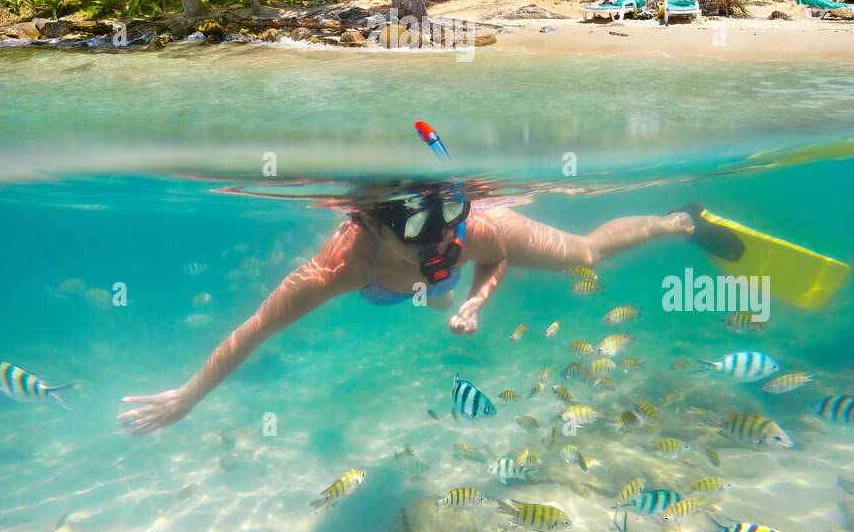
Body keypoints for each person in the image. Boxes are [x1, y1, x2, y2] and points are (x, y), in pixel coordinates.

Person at [119, 184, 697, 436]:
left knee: (585, 252)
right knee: (436, 292)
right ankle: (442, 296)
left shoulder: (468, 227)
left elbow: (492, 255)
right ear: (367, 221)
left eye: (449, 215)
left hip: (443, 286)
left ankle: (676, 222)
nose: (441, 236)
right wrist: (189, 393)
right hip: (387, 287)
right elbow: (256, 330)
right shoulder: (341, 268)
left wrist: (478, 299)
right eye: (417, 227)